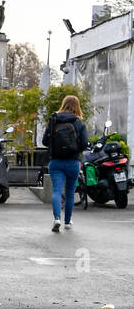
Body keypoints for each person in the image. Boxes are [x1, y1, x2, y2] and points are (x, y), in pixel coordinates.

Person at [42, 95, 89, 233]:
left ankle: (57, 218)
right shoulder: (79, 122)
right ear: (77, 106)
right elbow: (85, 143)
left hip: (56, 162)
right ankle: (67, 221)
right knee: (69, 193)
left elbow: (45, 141)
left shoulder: (54, 120)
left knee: (56, 191)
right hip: (73, 162)